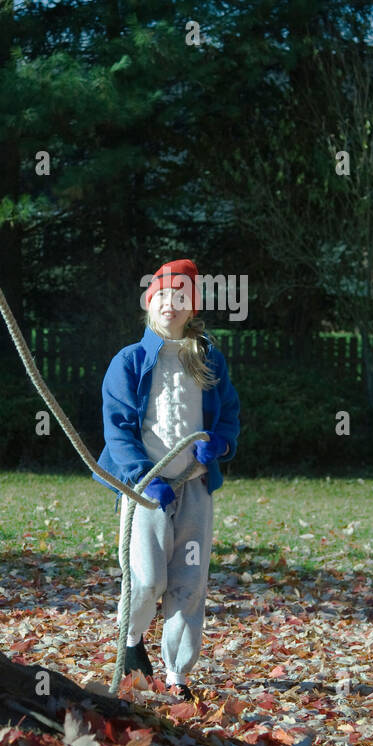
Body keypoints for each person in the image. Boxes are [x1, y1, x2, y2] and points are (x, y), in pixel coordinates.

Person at [93, 258, 241, 701]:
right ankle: (133, 641)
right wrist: (141, 477)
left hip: (194, 485)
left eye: (181, 298)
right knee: (145, 578)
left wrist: (221, 443)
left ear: (192, 307)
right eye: (162, 296)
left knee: (189, 582)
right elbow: (116, 426)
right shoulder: (129, 360)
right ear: (149, 302)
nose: (170, 305)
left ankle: (177, 673)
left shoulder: (208, 359)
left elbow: (229, 412)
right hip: (146, 489)